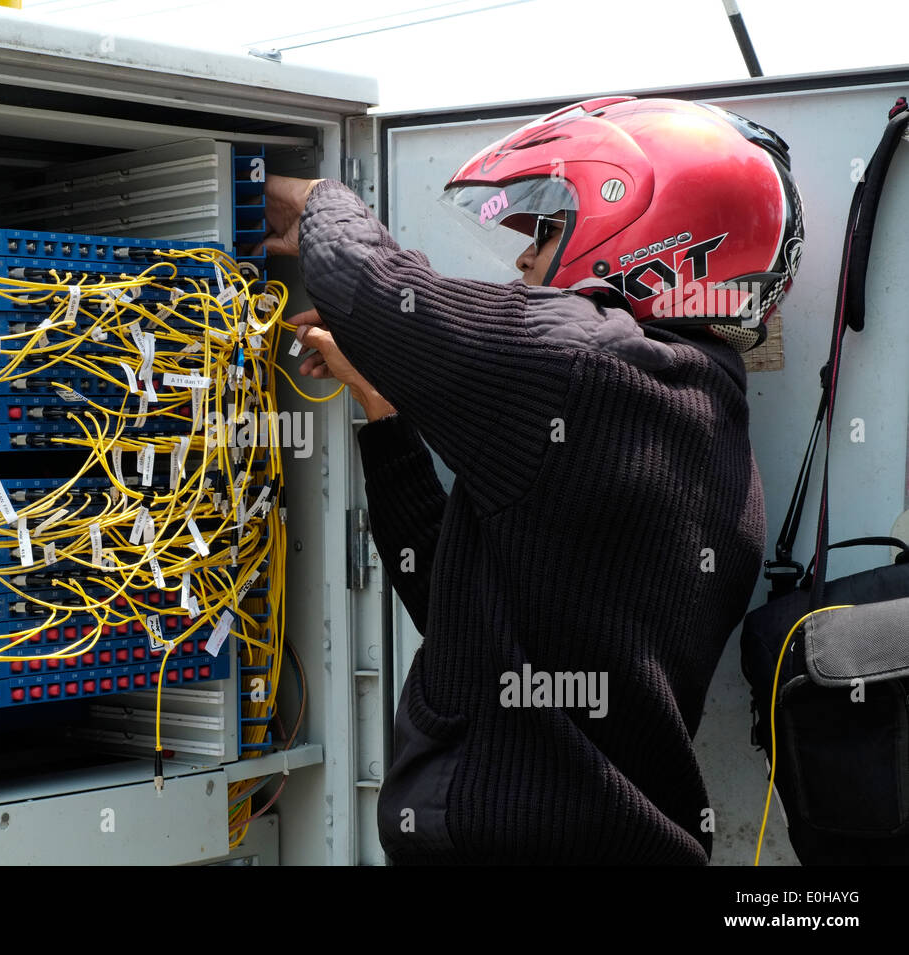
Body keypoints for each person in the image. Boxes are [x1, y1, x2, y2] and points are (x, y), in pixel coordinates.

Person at [258, 96, 805, 864]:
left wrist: (318, 199)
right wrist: (383, 407)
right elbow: (460, 605)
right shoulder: (703, 410)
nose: (524, 258)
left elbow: (367, 285)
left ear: (652, 229)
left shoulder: (585, 366)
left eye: (549, 228)